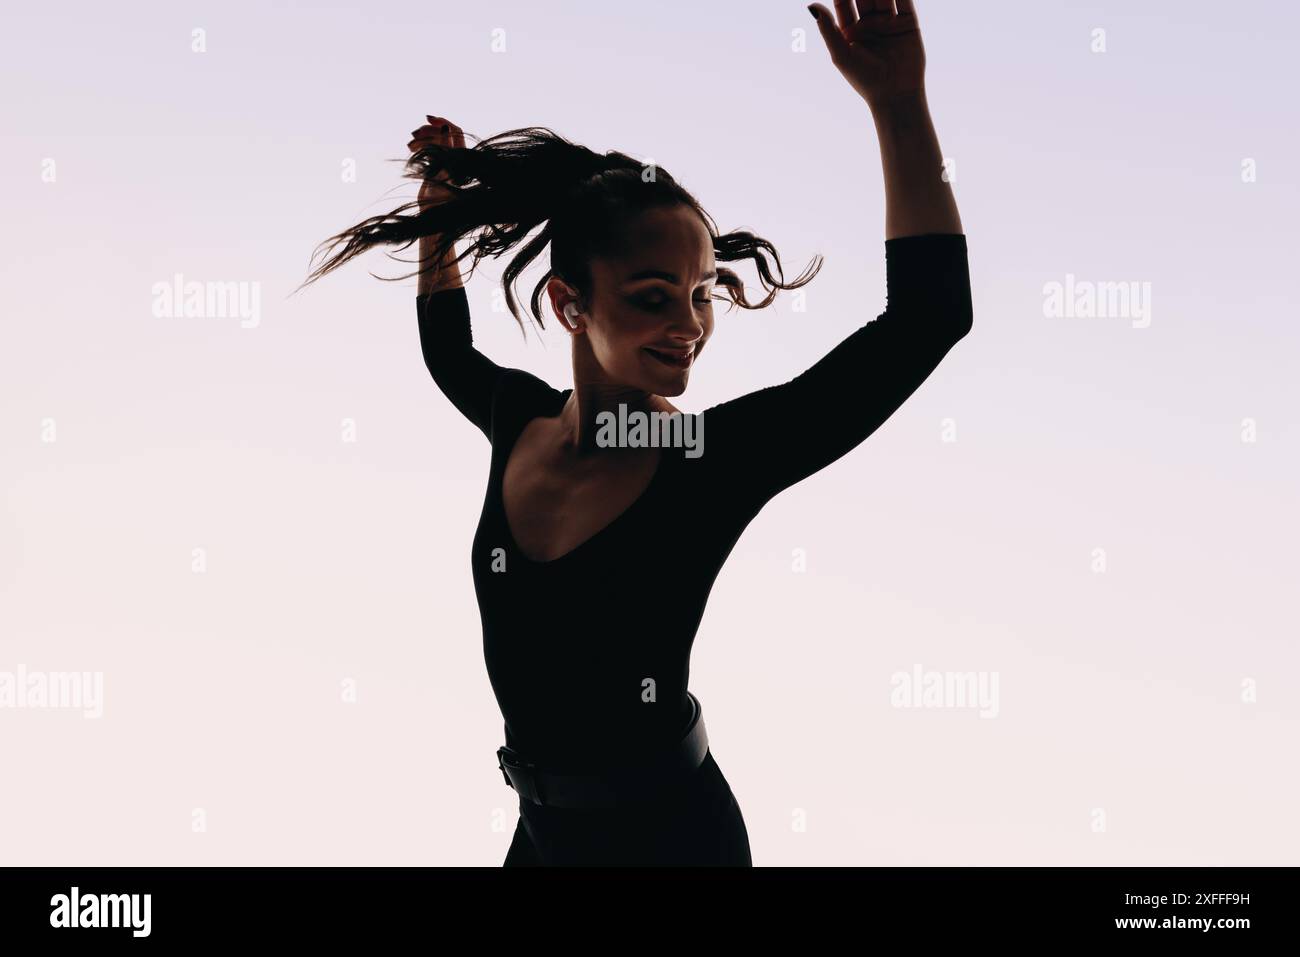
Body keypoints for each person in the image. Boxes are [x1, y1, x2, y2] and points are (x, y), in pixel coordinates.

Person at [302, 0, 970, 866]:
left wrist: (898, 103)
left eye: (701, 294)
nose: (689, 324)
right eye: (653, 296)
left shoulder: (711, 462)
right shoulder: (518, 419)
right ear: (568, 303)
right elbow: (446, 348)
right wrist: (438, 211)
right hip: (540, 838)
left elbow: (929, 316)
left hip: (671, 840)